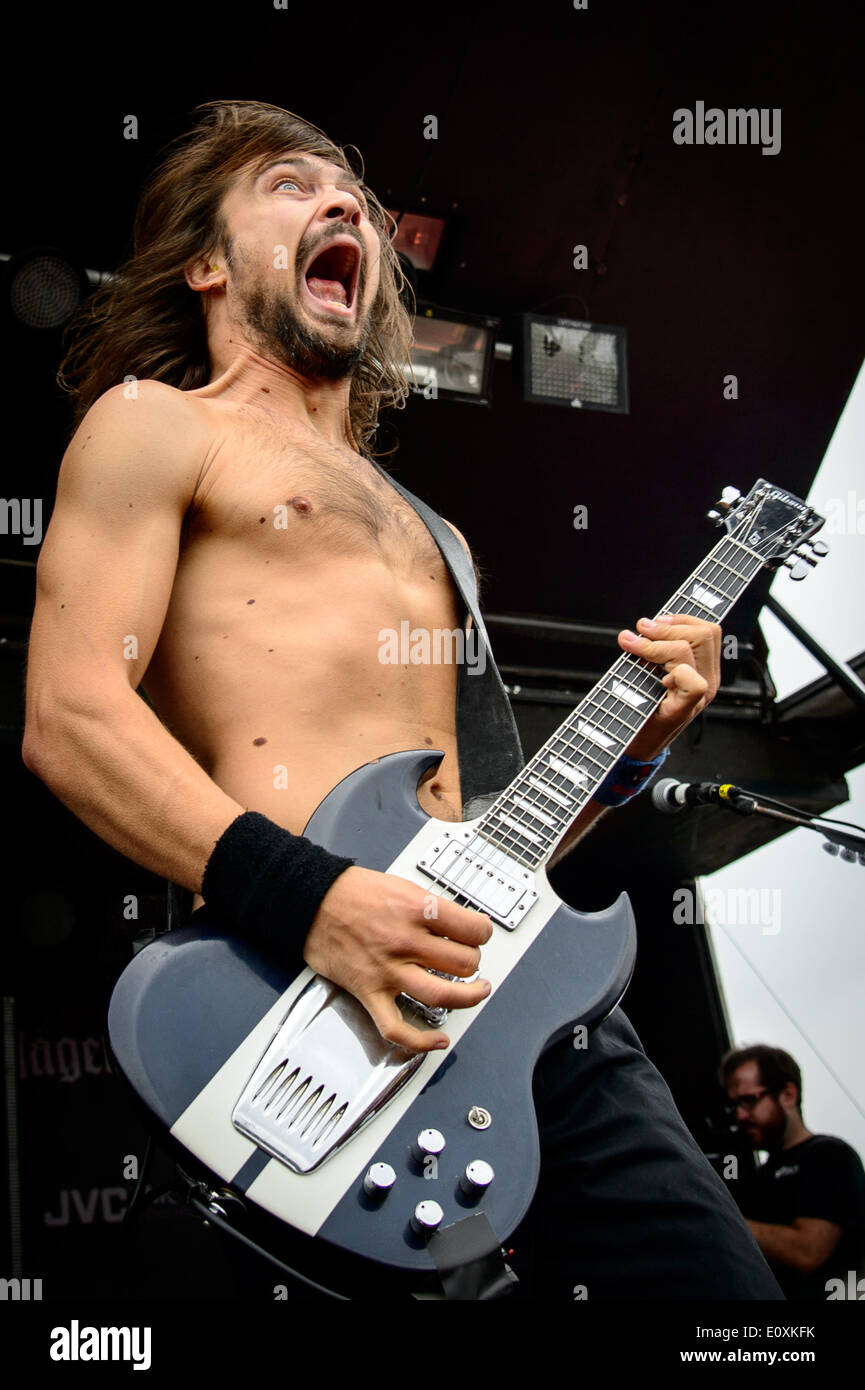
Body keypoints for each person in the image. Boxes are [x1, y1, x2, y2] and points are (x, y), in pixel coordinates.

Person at [23, 99, 782, 1299]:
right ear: (207, 264)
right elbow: (70, 716)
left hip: (517, 1003)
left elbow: (489, 835)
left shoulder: (444, 538)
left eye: (357, 200)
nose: (345, 207)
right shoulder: (155, 428)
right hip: (299, 983)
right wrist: (316, 901)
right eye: (287, 184)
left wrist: (630, 752)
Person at [721, 1044, 865, 1299]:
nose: (740, 1116)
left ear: (788, 1094)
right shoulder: (759, 1175)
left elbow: (808, 1252)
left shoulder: (830, 1155)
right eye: (734, 1106)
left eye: (749, 1100)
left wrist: (721, 1219)